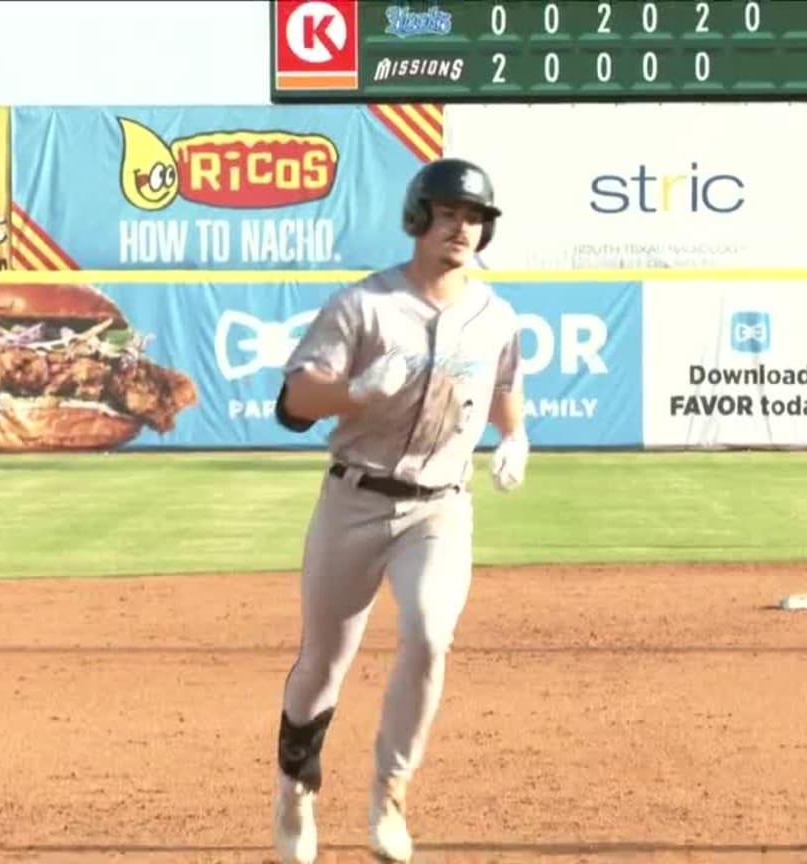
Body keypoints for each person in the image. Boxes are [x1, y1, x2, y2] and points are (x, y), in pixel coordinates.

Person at [266, 157, 529, 864]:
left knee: (429, 633)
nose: (461, 229)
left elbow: (504, 384)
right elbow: (293, 403)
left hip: (440, 509)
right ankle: (296, 786)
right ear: (419, 219)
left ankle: (390, 793)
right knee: (324, 663)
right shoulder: (364, 305)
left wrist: (516, 435)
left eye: (474, 218)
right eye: (448, 214)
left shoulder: (496, 315)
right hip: (353, 500)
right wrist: (352, 392)